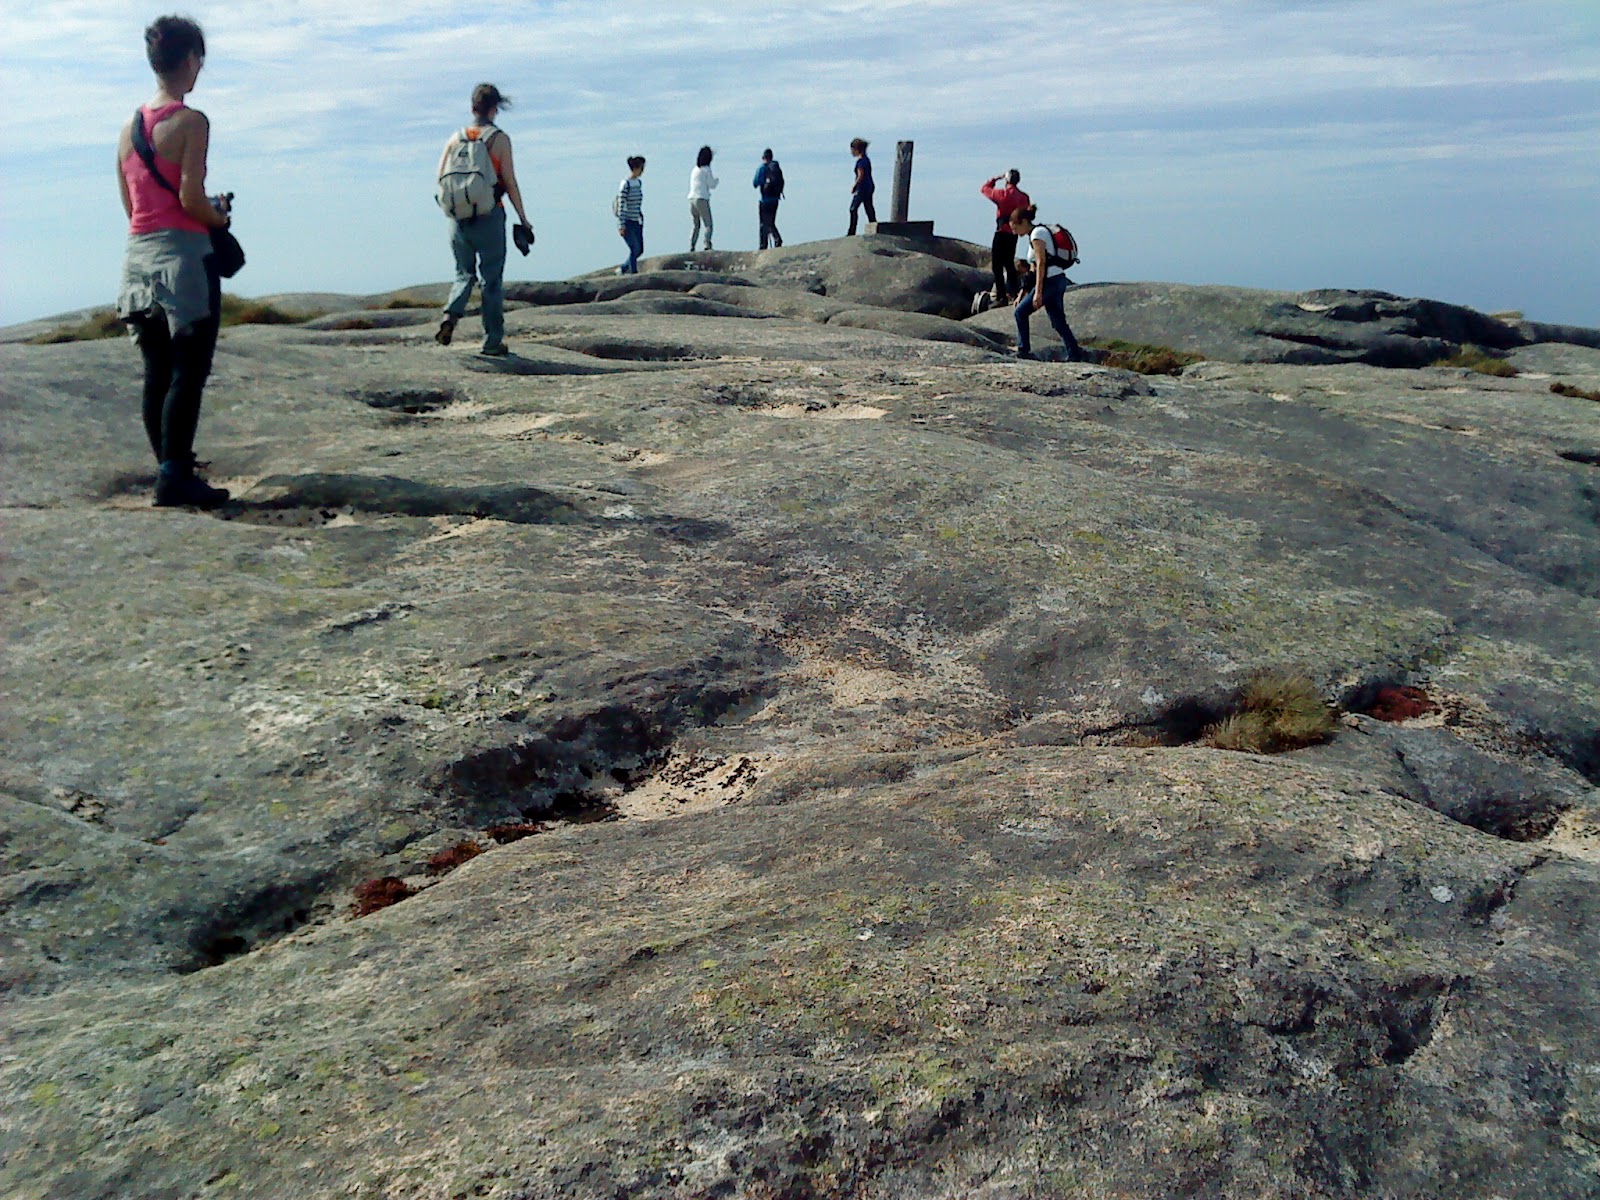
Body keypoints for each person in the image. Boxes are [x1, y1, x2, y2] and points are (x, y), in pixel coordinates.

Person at [115, 15, 233, 509]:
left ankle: (169, 464)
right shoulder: (190, 122)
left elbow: (130, 204)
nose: (199, 69)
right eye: (198, 60)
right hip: (183, 259)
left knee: (156, 369)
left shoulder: (128, 130)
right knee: (188, 369)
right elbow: (190, 198)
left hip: (137, 258)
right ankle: (175, 477)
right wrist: (219, 218)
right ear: (189, 60)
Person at [434, 83, 532, 356]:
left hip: (458, 219)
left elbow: (440, 177)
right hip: (490, 216)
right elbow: (509, 182)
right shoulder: (499, 139)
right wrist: (523, 218)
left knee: (463, 274)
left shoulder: (456, 138)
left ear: (472, 108)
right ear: (495, 108)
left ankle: (450, 316)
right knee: (491, 281)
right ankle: (492, 342)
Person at [1009, 205, 1086, 362]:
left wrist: (1038, 292)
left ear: (1023, 222)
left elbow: (1041, 262)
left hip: (1050, 281)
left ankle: (1023, 350)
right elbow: (1032, 269)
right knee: (1058, 321)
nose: (1014, 232)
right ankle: (1074, 353)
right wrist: (1022, 293)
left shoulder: (1037, 234)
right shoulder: (1036, 234)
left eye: (1015, 228)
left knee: (1020, 313)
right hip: (1056, 280)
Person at [981, 169, 1030, 303]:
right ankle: (1013, 292)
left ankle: (1001, 296)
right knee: (1009, 263)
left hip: (1001, 231)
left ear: (1007, 180)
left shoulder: (1002, 194)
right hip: (1014, 233)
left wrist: (995, 179)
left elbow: (984, 189)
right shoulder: (1023, 197)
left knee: (997, 265)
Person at [617, 155, 646, 274]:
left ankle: (623, 268)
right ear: (635, 168)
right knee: (634, 248)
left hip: (636, 220)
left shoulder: (638, 183)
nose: (643, 171)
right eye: (641, 168)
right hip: (627, 221)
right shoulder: (625, 184)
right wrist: (621, 224)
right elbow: (621, 204)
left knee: (640, 250)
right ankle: (633, 272)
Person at [753, 148, 784, 249]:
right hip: (775, 199)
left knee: (764, 223)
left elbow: (755, 183)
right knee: (770, 222)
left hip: (765, 200)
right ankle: (777, 239)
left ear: (764, 158)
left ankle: (763, 245)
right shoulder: (776, 167)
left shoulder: (763, 168)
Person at [687, 146, 717, 252]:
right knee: (708, 224)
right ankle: (707, 244)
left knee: (696, 225)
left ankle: (692, 244)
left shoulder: (695, 169)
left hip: (692, 199)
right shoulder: (706, 169)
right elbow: (711, 184)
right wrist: (717, 181)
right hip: (702, 198)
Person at [846, 137, 875, 235]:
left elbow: (860, 175)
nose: (851, 152)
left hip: (862, 188)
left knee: (853, 209)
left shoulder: (861, 162)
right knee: (868, 207)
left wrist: (855, 185)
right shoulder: (867, 160)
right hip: (869, 186)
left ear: (856, 149)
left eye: (852, 150)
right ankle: (873, 226)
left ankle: (851, 231)